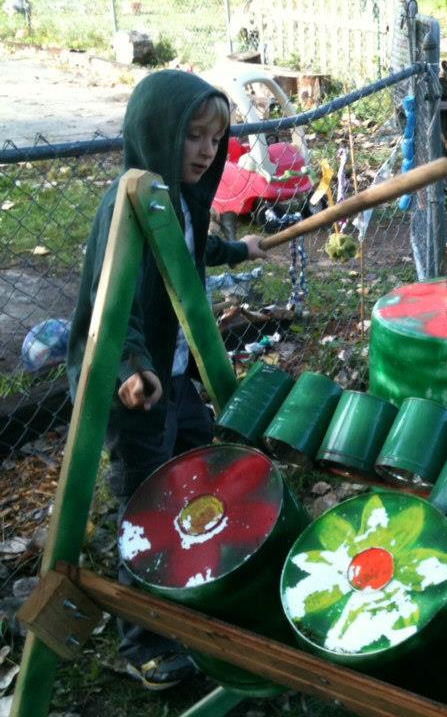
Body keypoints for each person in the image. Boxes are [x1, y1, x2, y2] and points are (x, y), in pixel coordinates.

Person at [66, 70, 267, 690]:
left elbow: (186, 251)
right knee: (148, 511)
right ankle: (142, 641)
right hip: (137, 389)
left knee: (203, 476)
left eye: (216, 138)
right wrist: (129, 367)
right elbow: (112, 299)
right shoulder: (125, 203)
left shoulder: (177, 198)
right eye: (194, 136)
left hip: (177, 380)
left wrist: (237, 250)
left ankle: (190, 591)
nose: (208, 151)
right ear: (158, 133)